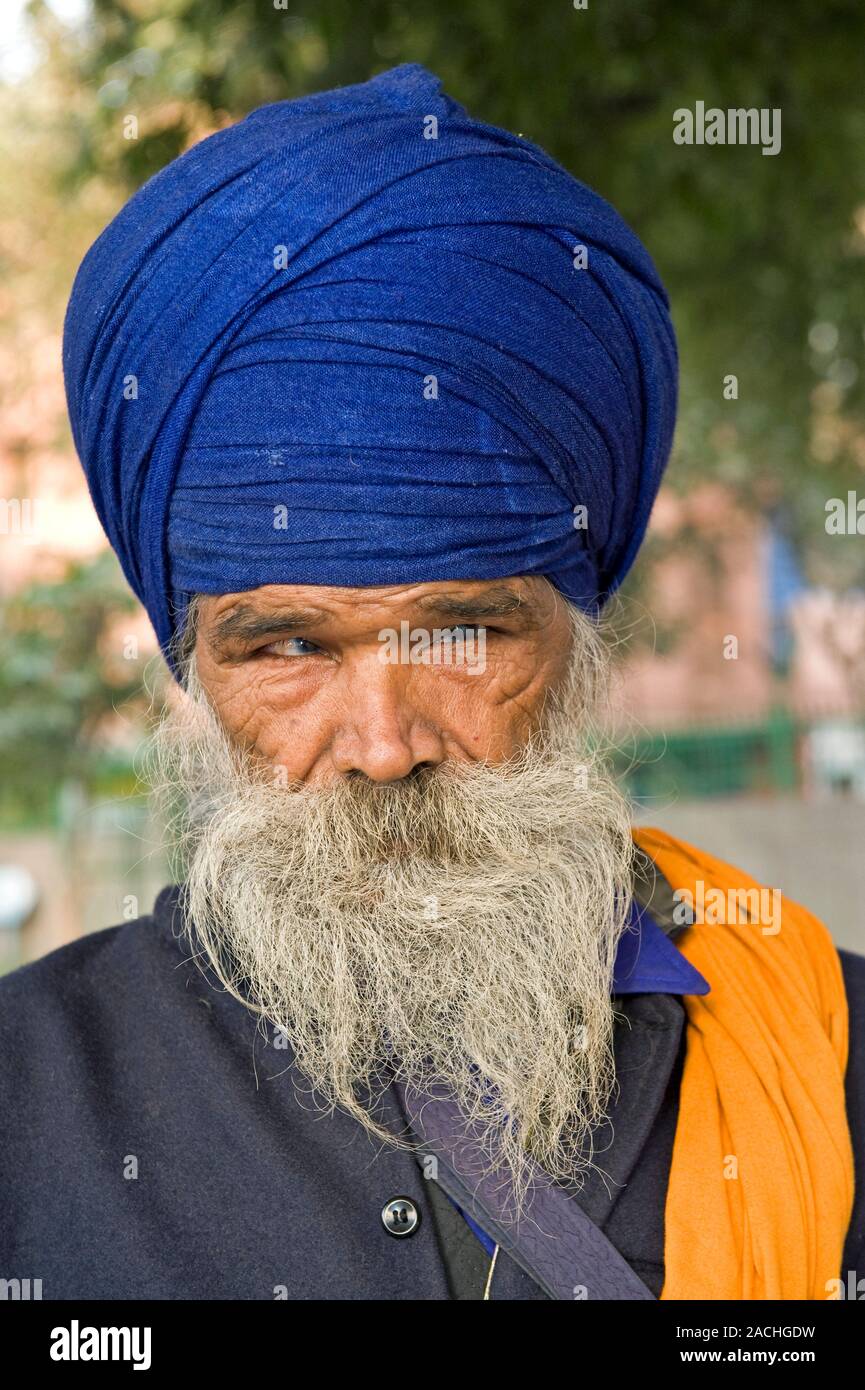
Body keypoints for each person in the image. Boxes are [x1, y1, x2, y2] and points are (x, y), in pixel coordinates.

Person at [0, 64, 861, 1302]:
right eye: (288, 648)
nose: (384, 743)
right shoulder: (30, 1110)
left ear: (580, 638)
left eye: (461, 635)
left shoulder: (828, 1054)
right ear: (188, 670)